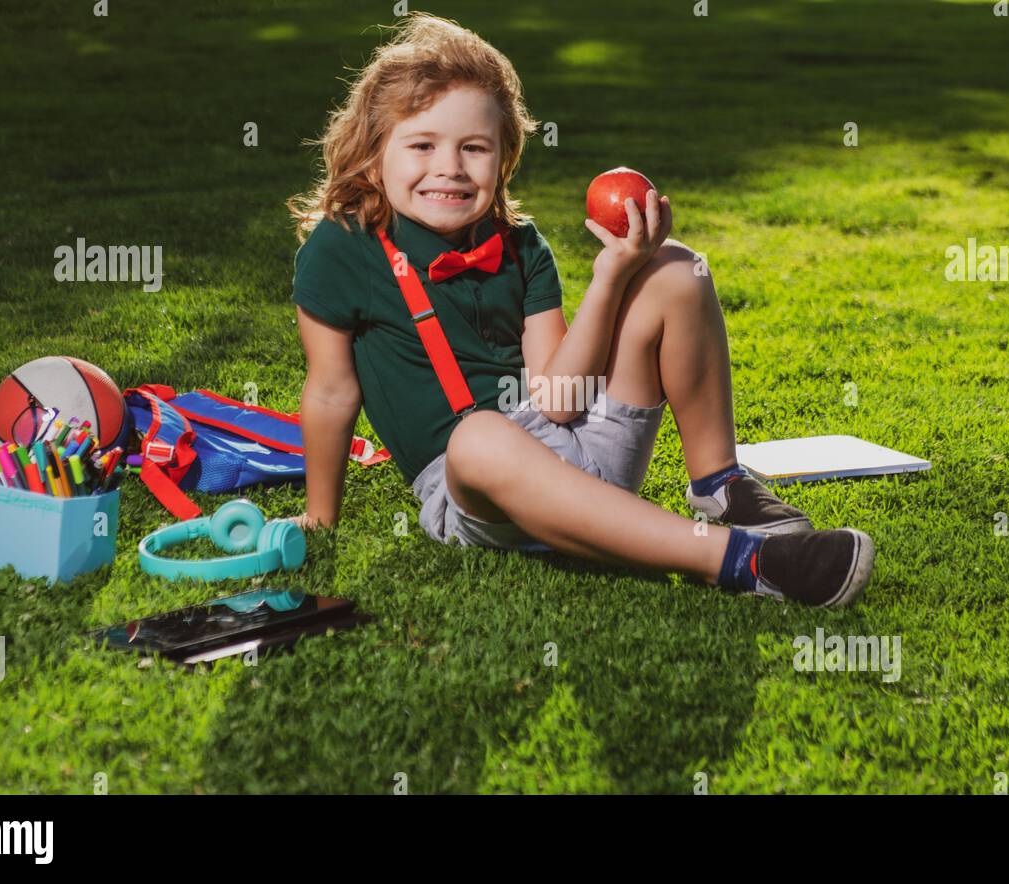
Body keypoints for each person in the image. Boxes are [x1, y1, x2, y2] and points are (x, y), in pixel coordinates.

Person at [286, 13, 872, 606]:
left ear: (504, 156)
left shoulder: (520, 245)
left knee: (675, 266)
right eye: (422, 145)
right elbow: (332, 392)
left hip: (583, 446)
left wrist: (610, 277)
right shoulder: (343, 248)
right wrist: (319, 516)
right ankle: (744, 561)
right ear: (374, 152)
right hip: (476, 484)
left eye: (474, 148)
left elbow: (563, 401)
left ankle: (720, 484)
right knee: (478, 437)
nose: (450, 168)